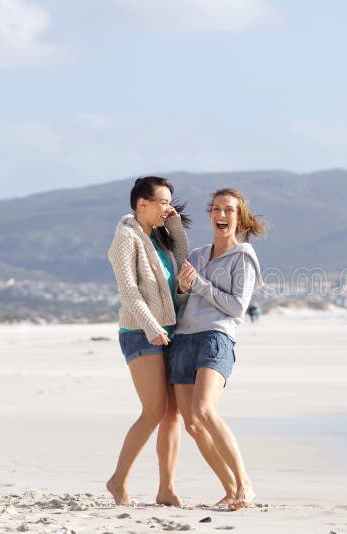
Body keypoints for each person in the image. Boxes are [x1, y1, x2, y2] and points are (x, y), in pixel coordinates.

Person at [168, 187, 264, 510]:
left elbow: (237, 307)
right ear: (210, 214)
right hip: (183, 340)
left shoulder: (244, 258)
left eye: (229, 210)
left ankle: (245, 484)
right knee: (192, 423)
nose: (221, 215)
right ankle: (230, 488)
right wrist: (183, 288)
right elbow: (183, 300)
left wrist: (197, 284)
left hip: (216, 338)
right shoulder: (195, 255)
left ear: (239, 218)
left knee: (204, 411)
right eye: (217, 209)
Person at [106, 176, 191, 506]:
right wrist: (152, 326)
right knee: (154, 410)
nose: (167, 207)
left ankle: (166, 488)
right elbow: (129, 293)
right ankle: (118, 480)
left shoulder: (158, 235)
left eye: (170, 201)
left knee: (173, 414)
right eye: (162, 202)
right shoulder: (126, 238)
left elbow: (183, 263)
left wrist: (177, 227)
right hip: (140, 333)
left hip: (167, 332)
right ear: (142, 204)